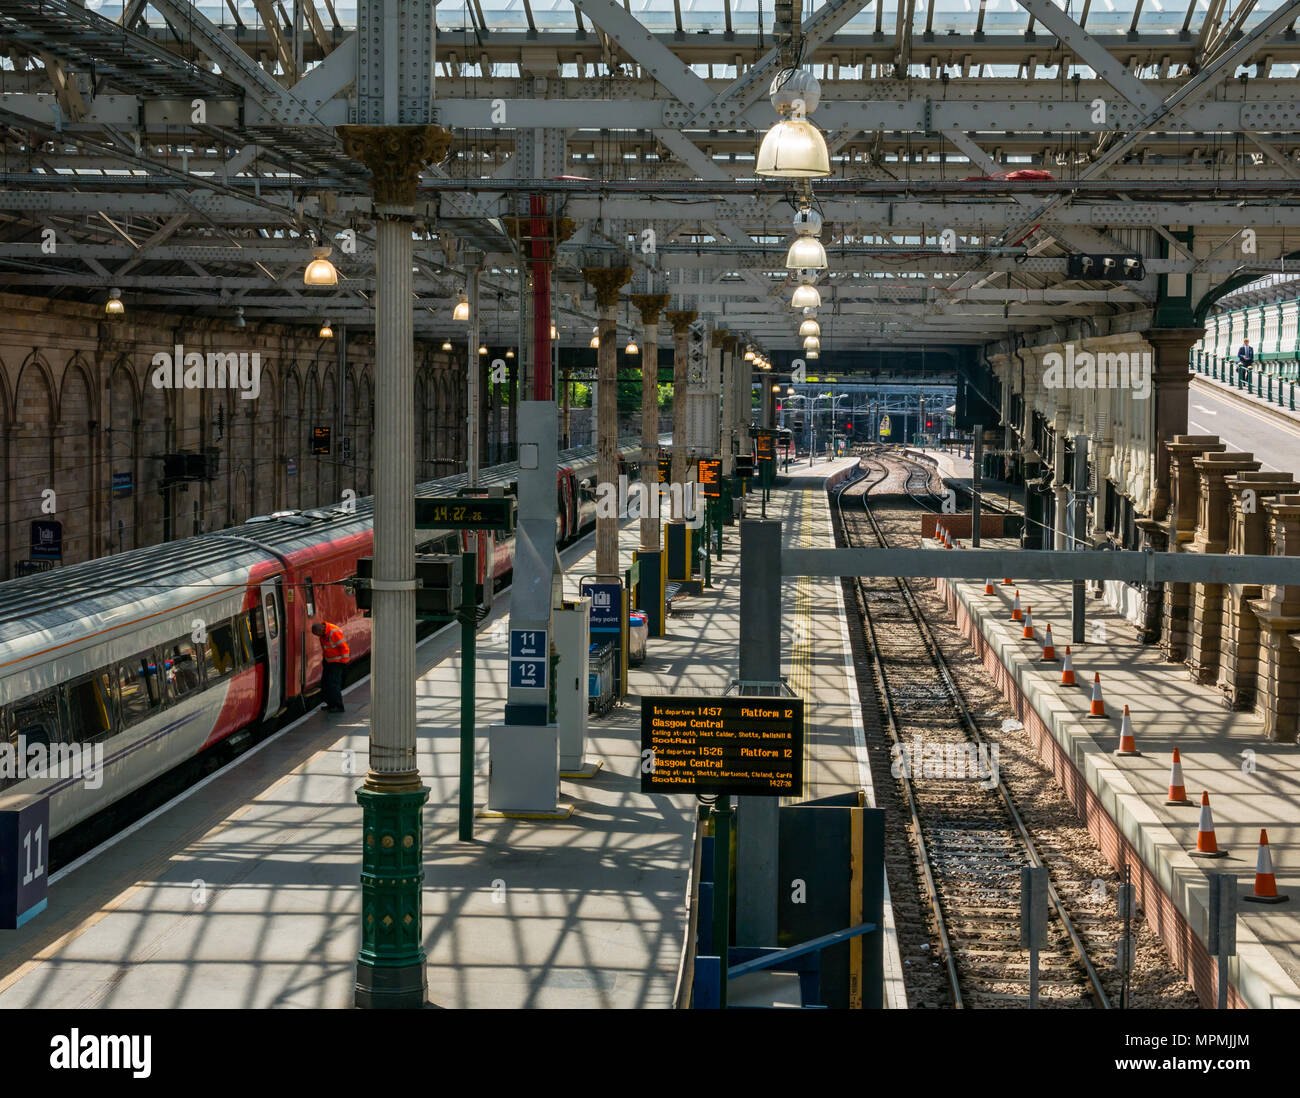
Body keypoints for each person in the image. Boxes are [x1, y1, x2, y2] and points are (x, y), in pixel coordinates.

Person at [312, 621, 349, 712]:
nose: (318, 636)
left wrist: (343, 662)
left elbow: (344, 648)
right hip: (328, 661)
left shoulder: (334, 632)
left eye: (317, 634)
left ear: (321, 629)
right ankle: (330, 704)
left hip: (337, 662)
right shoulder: (323, 634)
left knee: (333, 684)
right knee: (326, 683)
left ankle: (338, 706)